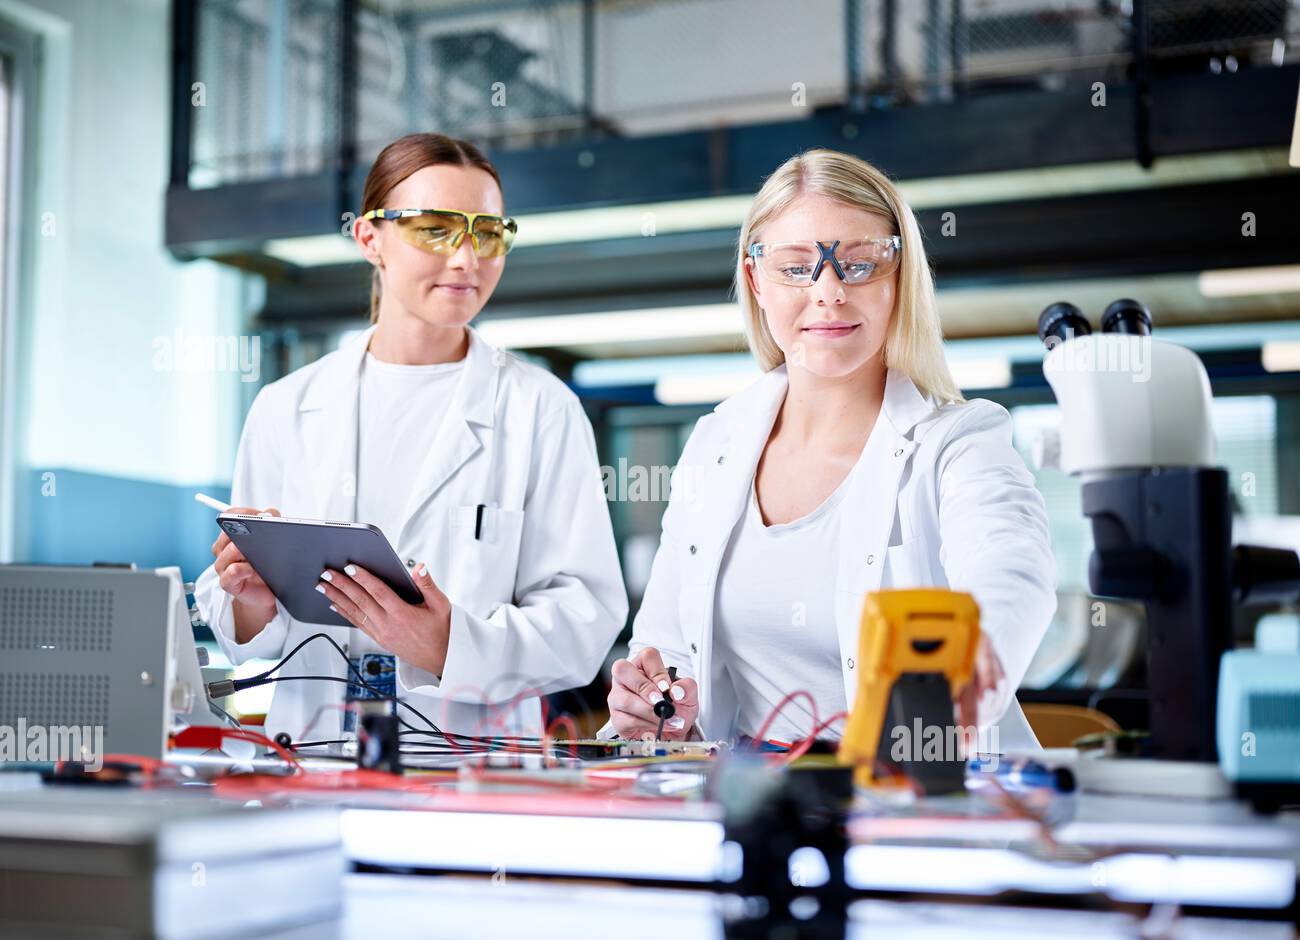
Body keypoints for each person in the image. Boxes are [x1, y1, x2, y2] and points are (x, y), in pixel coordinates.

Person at [604, 149, 1055, 751]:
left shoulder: (959, 442)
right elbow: (668, 645)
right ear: (756, 280)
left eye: (861, 265)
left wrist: (960, 691)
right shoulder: (716, 444)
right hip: (749, 798)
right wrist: (656, 705)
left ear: (899, 279)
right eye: (795, 268)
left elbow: (1012, 575)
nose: (829, 292)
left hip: (915, 792)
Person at [195, 132, 627, 744]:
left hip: (473, 770)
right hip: (315, 757)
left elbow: (585, 620)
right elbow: (245, 627)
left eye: (488, 233)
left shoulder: (541, 409)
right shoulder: (287, 408)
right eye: (436, 228)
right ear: (370, 237)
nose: (466, 258)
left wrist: (448, 645)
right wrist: (249, 598)